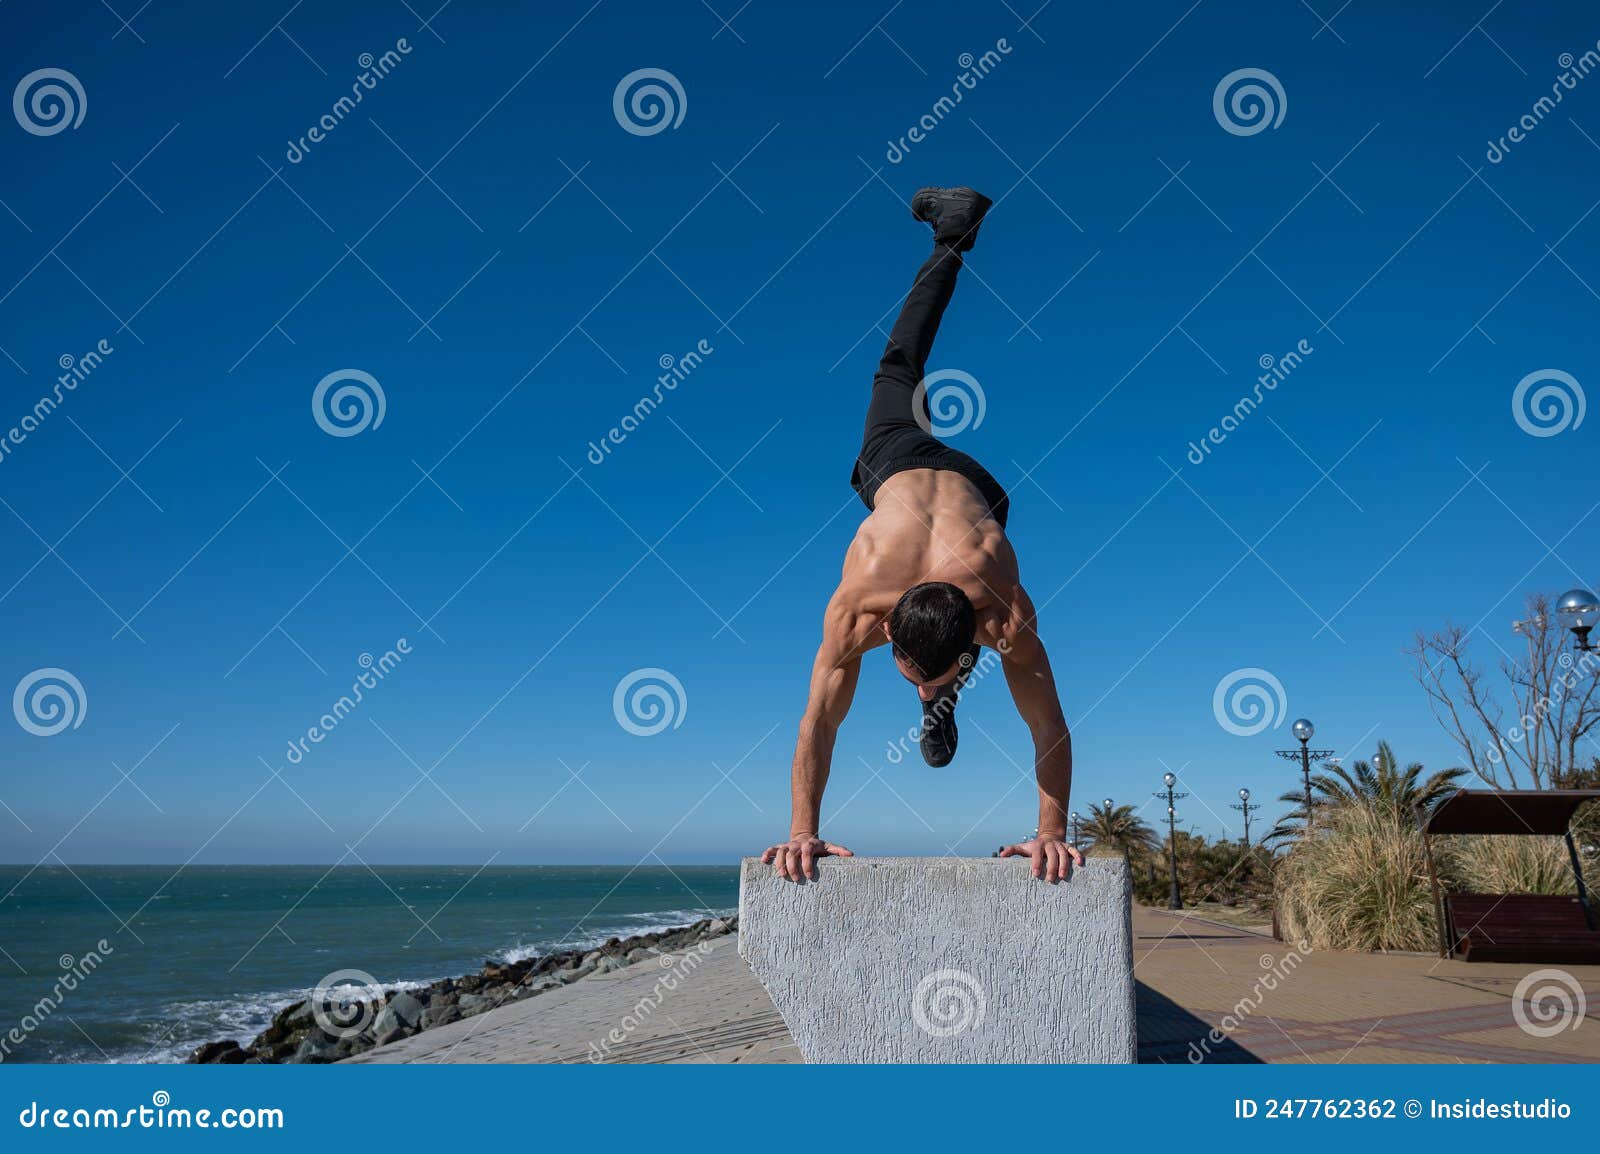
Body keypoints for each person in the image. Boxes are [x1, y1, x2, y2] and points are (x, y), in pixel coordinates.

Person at [760, 187, 1081, 885]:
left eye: (915, 677)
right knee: (902, 371)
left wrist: (1051, 833)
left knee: (904, 367)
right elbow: (822, 719)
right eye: (916, 674)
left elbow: (1047, 722)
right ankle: (952, 239)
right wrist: (801, 832)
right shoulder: (976, 605)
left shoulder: (962, 610)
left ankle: (952, 237)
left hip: (971, 488)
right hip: (959, 484)